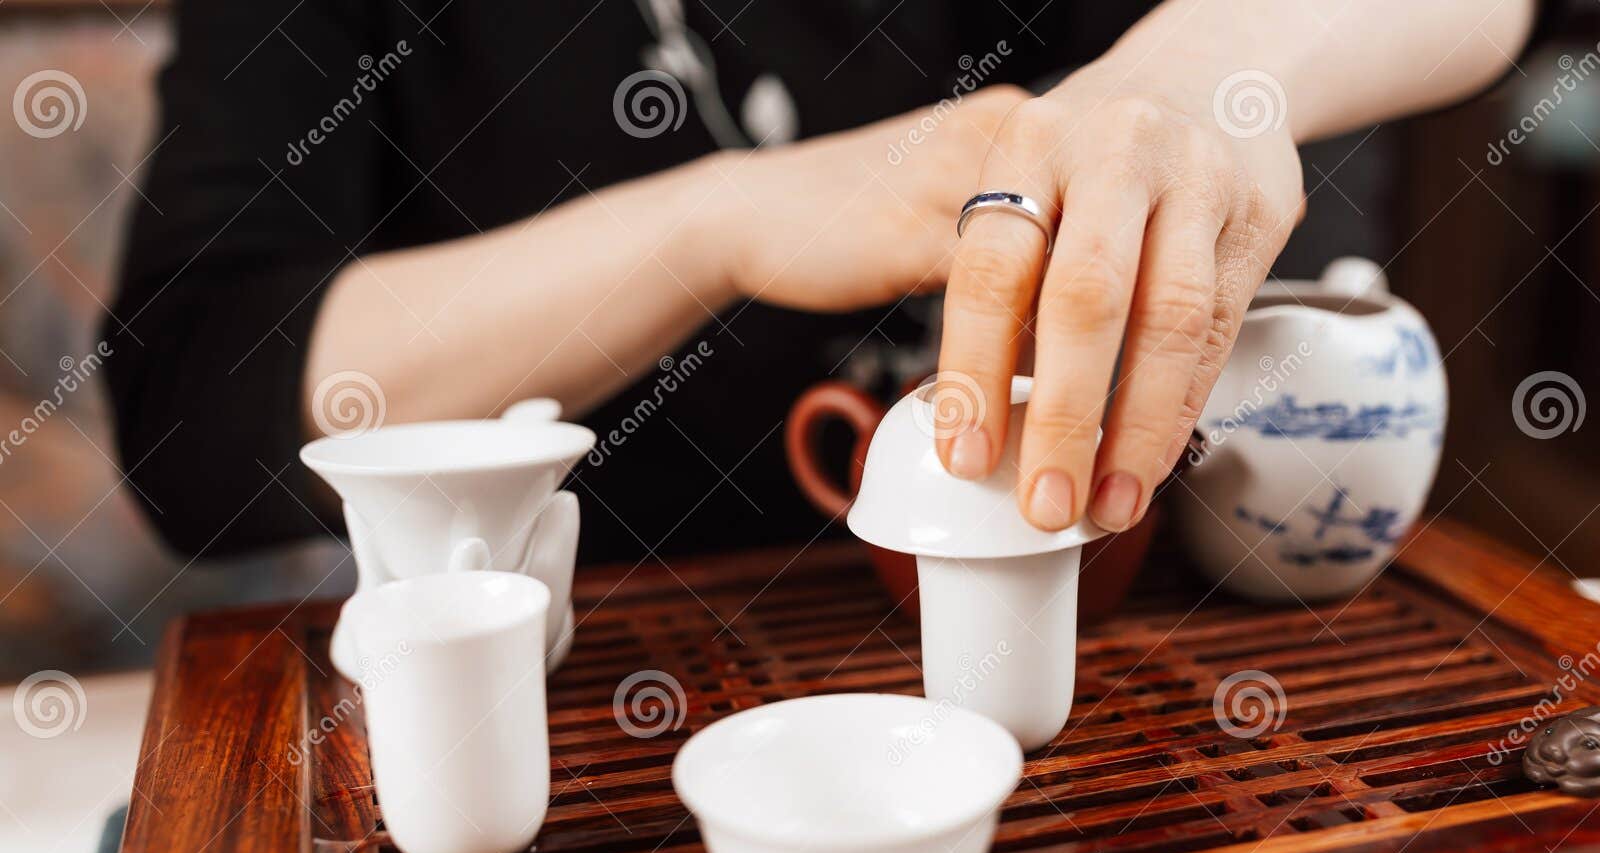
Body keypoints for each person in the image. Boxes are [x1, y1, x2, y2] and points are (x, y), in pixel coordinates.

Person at [106, 0, 1545, 564]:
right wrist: (721, 225)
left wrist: (1193, 80)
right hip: (637, 749)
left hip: (1205, 694)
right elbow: (201, 410)